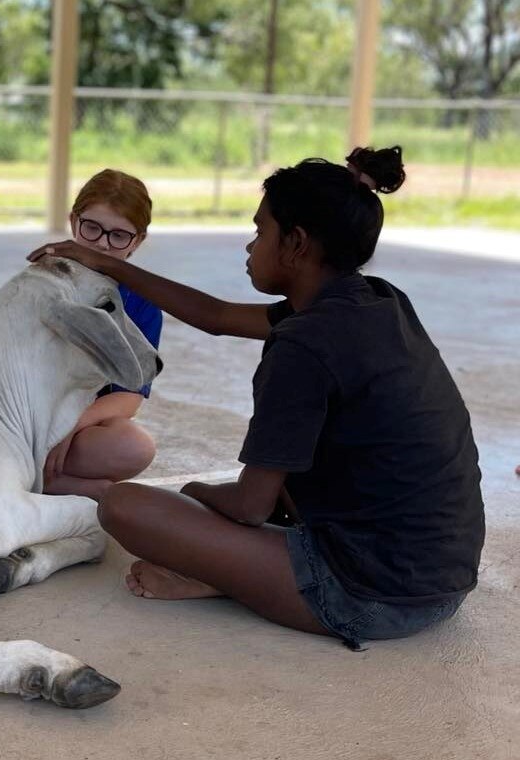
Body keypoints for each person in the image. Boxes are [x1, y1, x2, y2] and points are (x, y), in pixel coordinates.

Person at [29, 146, 485, 649]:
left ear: (295, 244)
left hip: (371, 595)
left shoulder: (305, 345)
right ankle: (233, 570)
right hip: (441, 574)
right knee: (264, 477)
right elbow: (218, 317)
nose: (249, 247)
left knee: (125, 505)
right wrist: (105, 264)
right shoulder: (374, 299)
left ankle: (225, 578)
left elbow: (249, 507)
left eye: (259, 231)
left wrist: (196, 493)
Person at [43, 170, 161, 500]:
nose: (103, 244)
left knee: (135, 447)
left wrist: (69, 424)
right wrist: (47, 424)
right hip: (24, 414)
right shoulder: (45, 278)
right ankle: (45, 481)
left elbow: (129, 397)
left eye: (119, 236)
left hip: (78, 425)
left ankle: (38, 480)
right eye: (92, 228)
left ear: (137, 241)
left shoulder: (142, 302)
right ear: (73, 221)